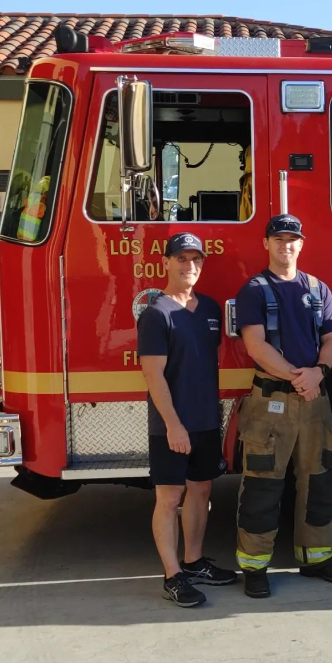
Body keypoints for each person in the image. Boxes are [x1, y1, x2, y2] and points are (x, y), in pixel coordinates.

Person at [234, 214, 332, 599]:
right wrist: (296, 377)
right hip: (272, 403)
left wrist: (318, 372)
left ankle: (316, 557)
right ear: (266, 243)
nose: (286, 245)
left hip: (314, 400)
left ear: (302, 244)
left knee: (319, 483)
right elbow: (255, 345)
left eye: (293, 239)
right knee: (263, 487)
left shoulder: (318, 289)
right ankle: (255, 567)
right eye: (279, 238)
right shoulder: (254, 290)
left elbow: (331, 339)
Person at [138, 232, 236, 608]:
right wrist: (174, 425)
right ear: (166, 262)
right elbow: (153, 375)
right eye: (181, 258)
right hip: (170, 425)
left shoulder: (209, 308)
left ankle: (194, 563)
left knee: (201, 490)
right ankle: (172, 575)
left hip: (206, 420)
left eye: (196, 259)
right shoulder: (156, 313)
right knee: (169, 497)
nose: (189, 266)